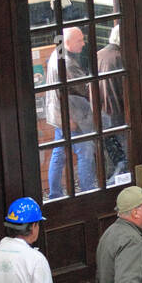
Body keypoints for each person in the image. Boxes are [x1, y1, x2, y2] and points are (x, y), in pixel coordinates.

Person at [45, 26, 97, 198]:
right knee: (85, 153)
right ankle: (88, 193)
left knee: (58, 155)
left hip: (58, 115)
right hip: (73, 118)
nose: (83, 43)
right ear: (66, 43)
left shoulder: (56, 53)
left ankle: (55, 194)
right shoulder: (67, 64)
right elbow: (83, 88)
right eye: (79, 41)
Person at [97, 24, 128, 184]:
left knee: (114, 155)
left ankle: (110, 184)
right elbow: (125, 89)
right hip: (118, 114)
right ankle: (117, 185)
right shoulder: (120, 57)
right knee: (125, 159)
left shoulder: (99, 54)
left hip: (102, 113)